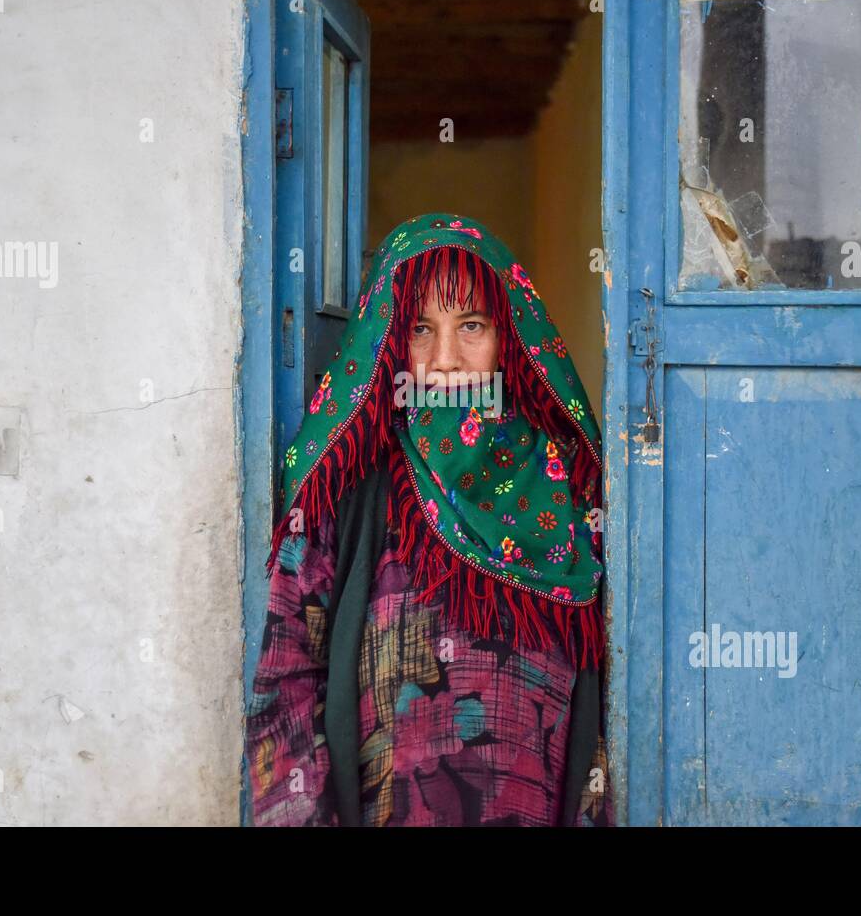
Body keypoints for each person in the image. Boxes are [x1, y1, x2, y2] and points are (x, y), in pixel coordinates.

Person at [247, 212, 613, 827]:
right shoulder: (345, 488)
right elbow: (285, 685)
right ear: (388, 341)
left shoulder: (573, 488)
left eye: (471, 325)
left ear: (510, 336)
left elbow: (606, 714)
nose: (445, 360)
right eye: (420, 329)